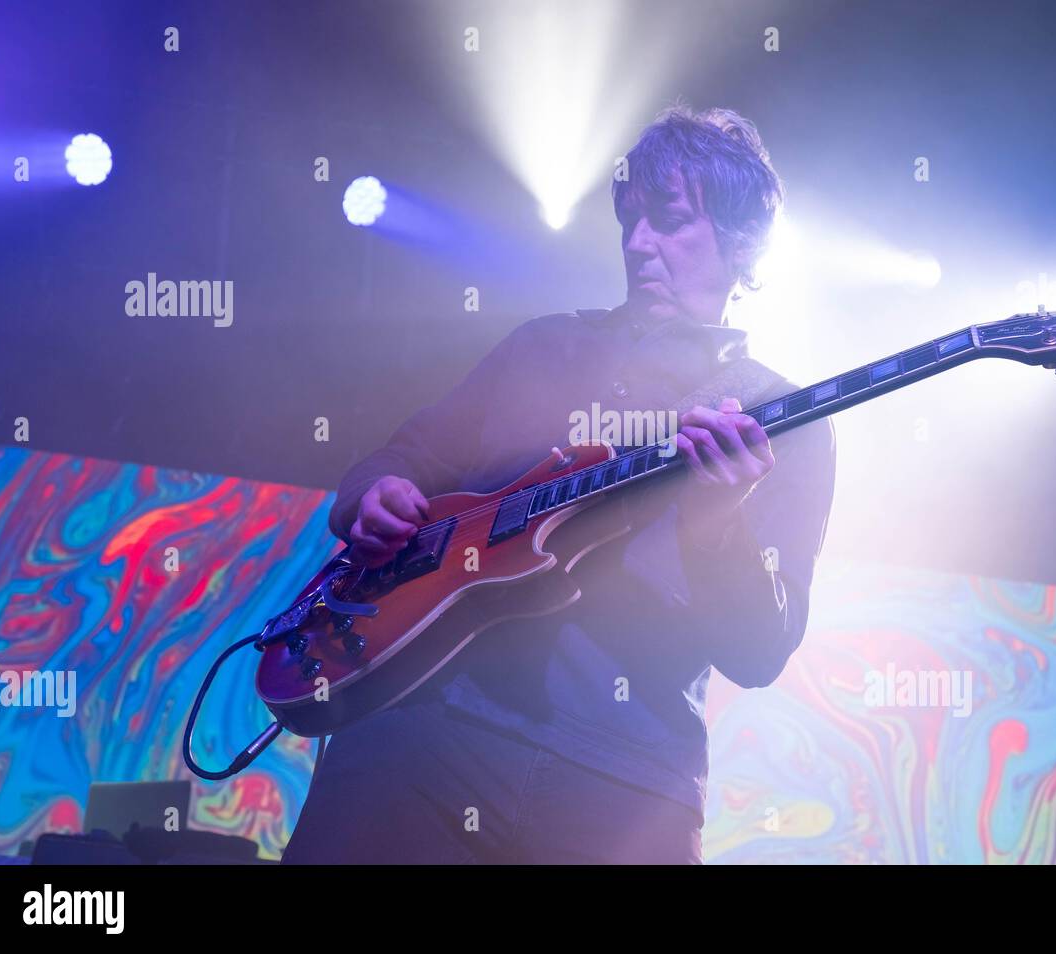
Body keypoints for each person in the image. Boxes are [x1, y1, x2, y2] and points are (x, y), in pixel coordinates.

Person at [282, 105, 836, 864]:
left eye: (669, 220)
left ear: (741, 245)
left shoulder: (787, 417)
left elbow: (761, 652)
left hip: (627, 787)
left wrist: (714, 528)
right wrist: (373, 496)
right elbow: (397, 459)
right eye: (630, 219)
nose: (640, 245)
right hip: (421, 734)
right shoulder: (544, 345)